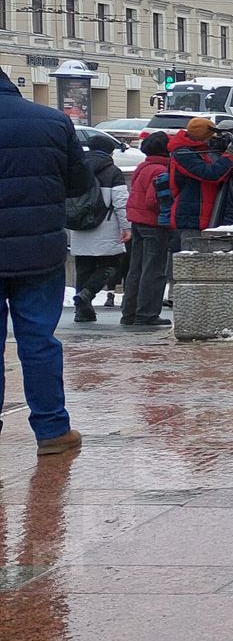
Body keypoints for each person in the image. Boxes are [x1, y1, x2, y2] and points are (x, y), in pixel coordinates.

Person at [0, 70, 95, 456]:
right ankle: (53, 430)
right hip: (39, 254)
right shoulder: (53, 122)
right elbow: (78, 184)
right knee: (39, 342)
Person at [68, 134, 131, 322]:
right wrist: (126, 227)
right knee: (111, 265)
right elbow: (120, 203)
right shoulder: (113, 172)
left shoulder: (77, 170)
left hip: (79, 225)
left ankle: (82, 312)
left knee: (84, 267)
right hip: (106, 225)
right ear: (110, 151)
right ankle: (87, 293)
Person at [121, 131, 174, 329]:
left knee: (136, 268)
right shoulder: (161, 170)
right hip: (154, 224)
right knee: (154, 269)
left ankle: (130, 312)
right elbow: (154, 200)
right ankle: (147, 313)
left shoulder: (143, 167)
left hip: (138, 222)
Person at [167, 117, 233, 236]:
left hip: (199, 212)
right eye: (211, 136)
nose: (214, 139)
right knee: (191, 253)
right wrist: (229, 155)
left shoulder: (196, 151)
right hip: (192, 216)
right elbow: (211, 174)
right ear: (202, 137)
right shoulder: (183, 154)